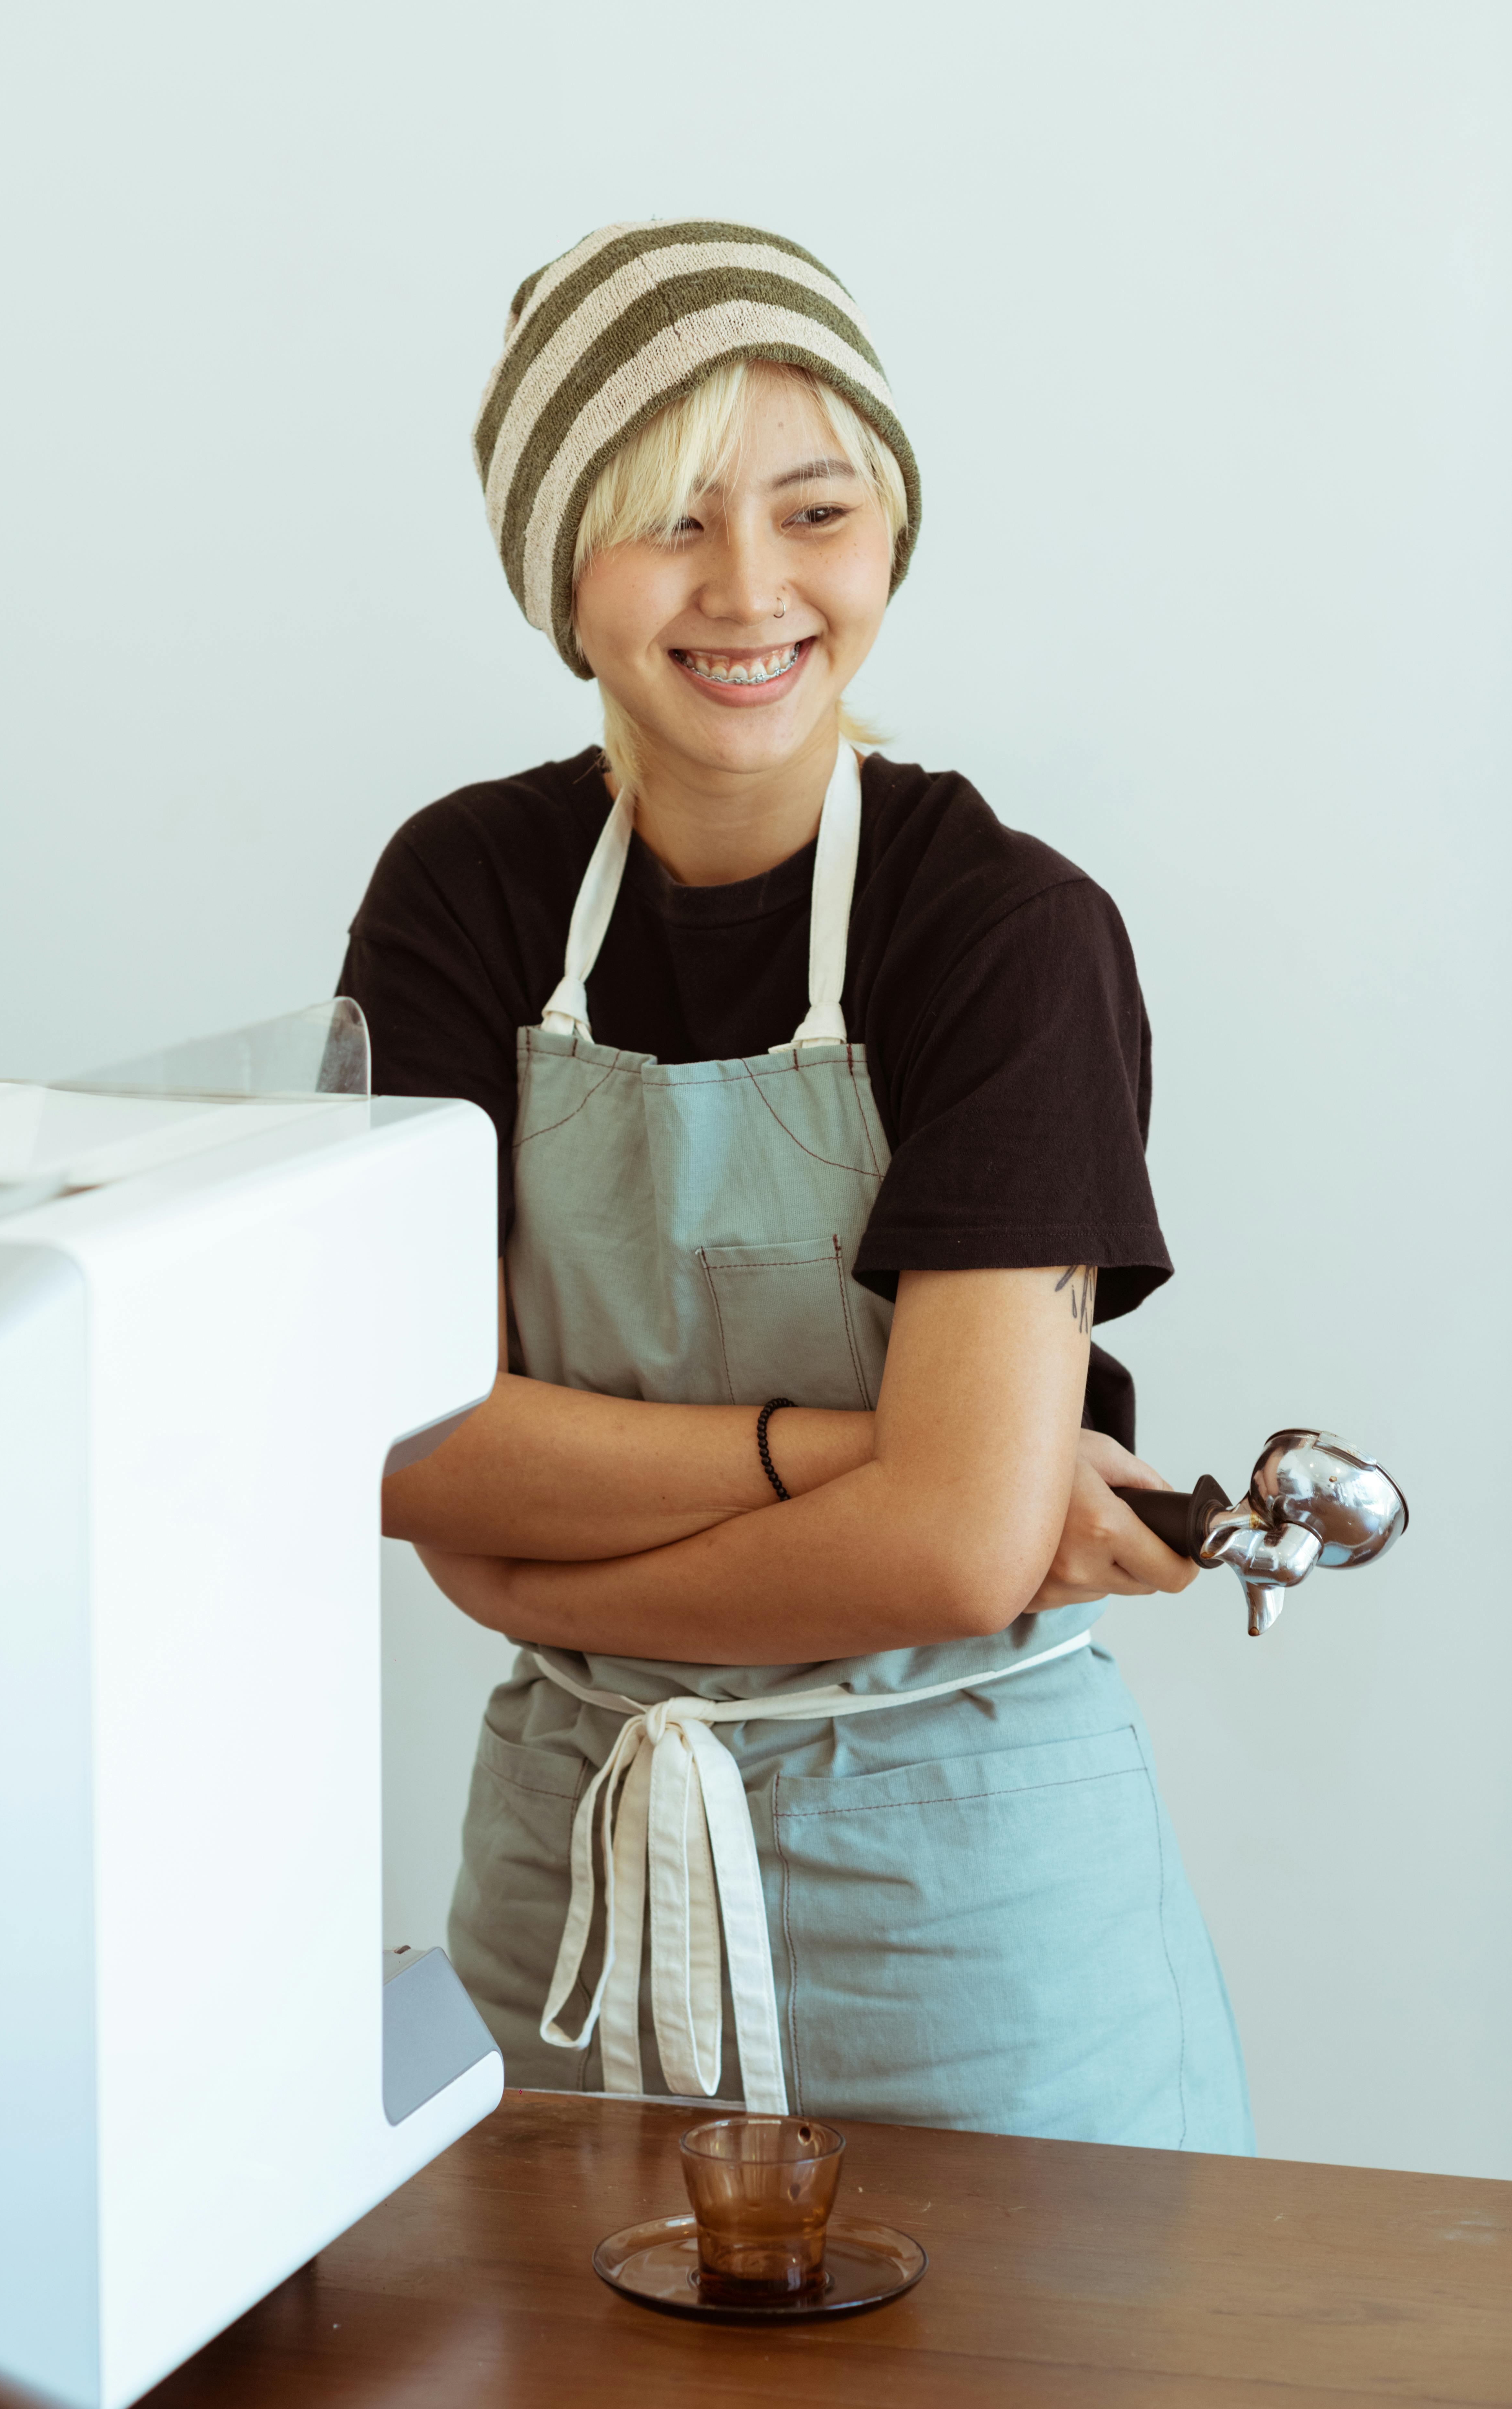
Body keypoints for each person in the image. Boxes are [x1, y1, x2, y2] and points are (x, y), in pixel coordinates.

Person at [342, 219, 1253, 2150]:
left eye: (814, 510)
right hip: (574, 1877)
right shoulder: (463, 900)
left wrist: (537, 1550)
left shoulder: (1006, 933)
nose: (750, 589)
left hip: (969, 1905)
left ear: (887, 539)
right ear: (557, 573)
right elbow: (414, 1457)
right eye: (668, 520)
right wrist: (894, 1455)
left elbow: (943, 1565)